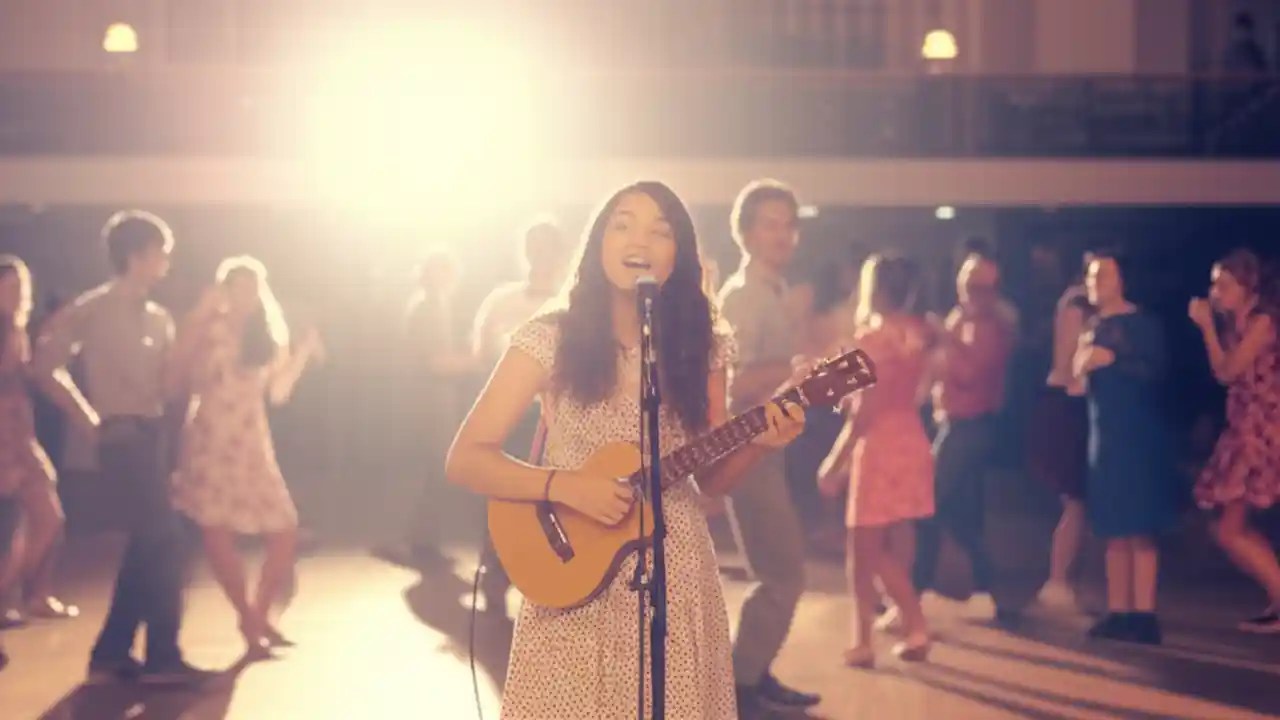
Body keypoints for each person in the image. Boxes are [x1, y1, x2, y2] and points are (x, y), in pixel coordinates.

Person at [445, 181, 805, 720]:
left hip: (675, 570)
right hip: (572, 576)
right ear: (597, 242)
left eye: (660, 230)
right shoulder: (550, 338)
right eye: (623, 223)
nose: (640, 238)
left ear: (677, 254)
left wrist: (759, 442)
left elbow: (709, 482)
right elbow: (467, 456)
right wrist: (564, 485)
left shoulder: (701, 344)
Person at [33, 210, 211, 683]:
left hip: (152, 437)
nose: (167, 263)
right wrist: (87, 418)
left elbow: (169, 386)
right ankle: (162, 658)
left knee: (148, 544)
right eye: (161, 253)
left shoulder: (160, 317)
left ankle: (110, 653)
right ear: (137, 256)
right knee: (167, 539)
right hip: (119, 437)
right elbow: (46, 362)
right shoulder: (94, 307)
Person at [169, 257, 323, 655]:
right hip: (211, 437)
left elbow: (278, 392)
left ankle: (256, 614)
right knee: (217, 529)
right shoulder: (209, 328)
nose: (246, 295)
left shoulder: (265, 335)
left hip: (251, 440)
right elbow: (183, 371)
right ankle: (249, 619)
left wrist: (303, 351)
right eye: (238, 286)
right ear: (224, 289)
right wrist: (200, 318)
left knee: (284, 528)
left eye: (254, 288)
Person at [717, 179, 820, 714]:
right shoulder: (741, 295)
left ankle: (750, 673)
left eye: (788, 224)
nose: (782, 234)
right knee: (783, 572)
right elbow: (730, 383)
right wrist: (798, 366)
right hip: (745, 449)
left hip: (771, 446)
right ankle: (739, 687)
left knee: (777, 570)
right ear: (746, 232)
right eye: (769, 224)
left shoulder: (777, 290)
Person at [818, 254, 935, 667]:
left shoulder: (870, 340)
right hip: (912, 437)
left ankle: (874, 635)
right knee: (900, 533)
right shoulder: (917, 332)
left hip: (880, 444)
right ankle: (900, 615)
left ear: (875, 289)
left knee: (863, 547)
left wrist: (835, 460)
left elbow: (864, 410)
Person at [1074, 251, 1177, 645]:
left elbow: (1155, 371)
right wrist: (1081, 367)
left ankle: (1144, 612)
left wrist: (1113, 359)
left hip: (1138, 431)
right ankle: (1118, 610)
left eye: (1104, 275)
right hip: (1105, 433)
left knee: (1140, 524)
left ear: (1122, 280)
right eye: (1091, 276)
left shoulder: (1142, 324)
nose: (1096, 283)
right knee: (1113, 523)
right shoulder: (1093, 325)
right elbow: (1078, 385)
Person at [470, 219, 569, 614]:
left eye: (548, 246)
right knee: (504, 494)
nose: (540, 254)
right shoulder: (501, 300)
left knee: (551, 499)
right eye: (535, 246)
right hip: (512, 415)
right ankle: (495, 575)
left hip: (557, 419)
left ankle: (550, 578)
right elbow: (481, 357)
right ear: (525, 251)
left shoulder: (571, 302)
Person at [913, 252, 1014, 618]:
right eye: (970, 284)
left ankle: (916, 593)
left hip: (969, 427)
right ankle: (983, 594)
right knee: (962, 514)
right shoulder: (962, 320)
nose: (976, 293)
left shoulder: (991, 328)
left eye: (984, 287)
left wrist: (946, 339)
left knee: (927, 504)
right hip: (955, 424)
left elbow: (970, 374)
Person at [1189, 249, 1280, 633]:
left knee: (1229, 527)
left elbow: (1228, 371)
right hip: (1242, 425)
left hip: (1261, 429)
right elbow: (1221, 372)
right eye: (1214, 283)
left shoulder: (1262, 322)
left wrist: (1207, 327)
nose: (1215, 292)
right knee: (1224, 527)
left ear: (1248, 288)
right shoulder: (1236, 323)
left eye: (1224, 284)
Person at [0, 257, 77, 633]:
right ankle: (13, 596)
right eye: (8, 287)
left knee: (45, 516)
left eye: (20, 287)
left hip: (21, 434)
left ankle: (28, 594)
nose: (15, 294)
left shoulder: (15, 329)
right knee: (36, 517)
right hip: (7, 436)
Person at [1028, 254, 1095, 609]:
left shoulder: (1080, 302)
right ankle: (1057, 581)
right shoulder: (1076, 302)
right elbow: (1067, 364)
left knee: (1078, 502)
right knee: (1075, 500)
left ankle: (1063, 581)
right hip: (1067, 407)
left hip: (1071, 405)